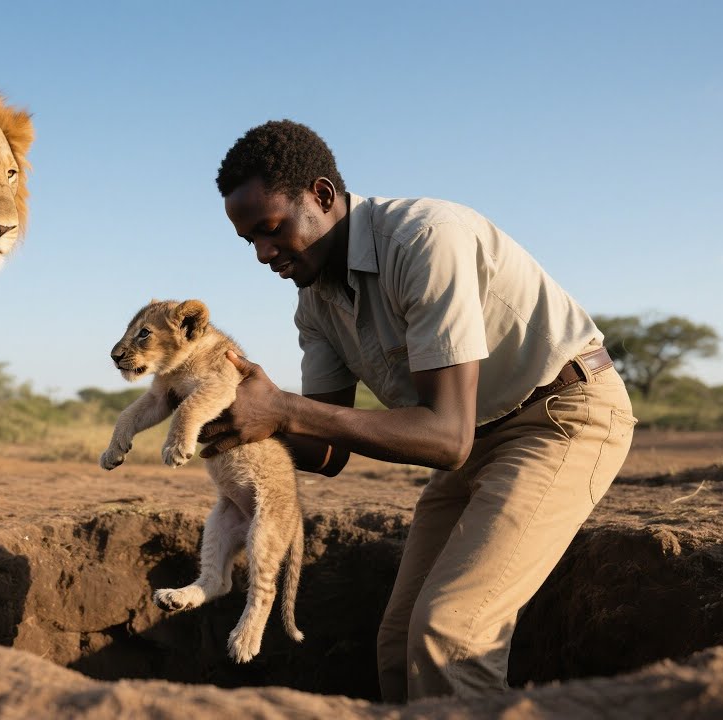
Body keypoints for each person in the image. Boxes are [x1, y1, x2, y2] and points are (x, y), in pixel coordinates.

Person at [198, 119, 637, 702]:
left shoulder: (425, 239)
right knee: (398, 638)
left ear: (322, 196)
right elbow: (326, 452)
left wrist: (283, 410)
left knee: (450, 634)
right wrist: (225, 418)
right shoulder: (315, 303)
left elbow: (445, 438)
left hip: (559, 417)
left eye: (271, 228)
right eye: (248, 240)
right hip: (476, 439)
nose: (262, 253)